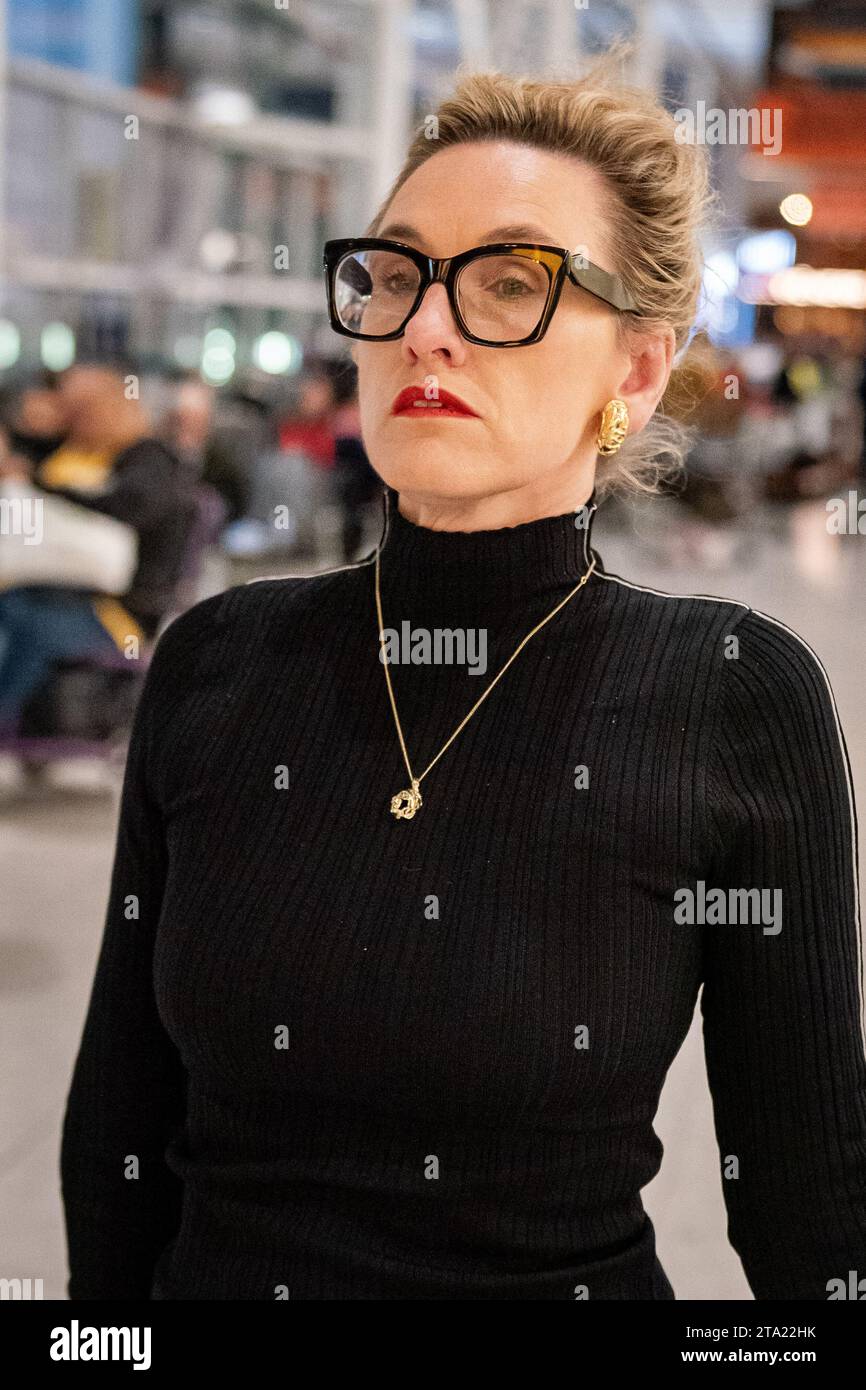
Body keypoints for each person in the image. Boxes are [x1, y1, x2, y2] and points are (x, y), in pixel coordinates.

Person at [61, 59, 866, 1300]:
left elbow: (815, 1217)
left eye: (510, 282)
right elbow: (118, 1136)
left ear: (637, 371)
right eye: (393, 273)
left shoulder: (726, 694)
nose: (423, 324)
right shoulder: (217, 661)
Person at [0, 364, 197, 734]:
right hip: (72, 597)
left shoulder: (147, 460)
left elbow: (122, 509)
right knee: (13, 608)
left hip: (122, 614)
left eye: (75, 415)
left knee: (27, 625)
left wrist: (45, 489)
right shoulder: (84, 454)